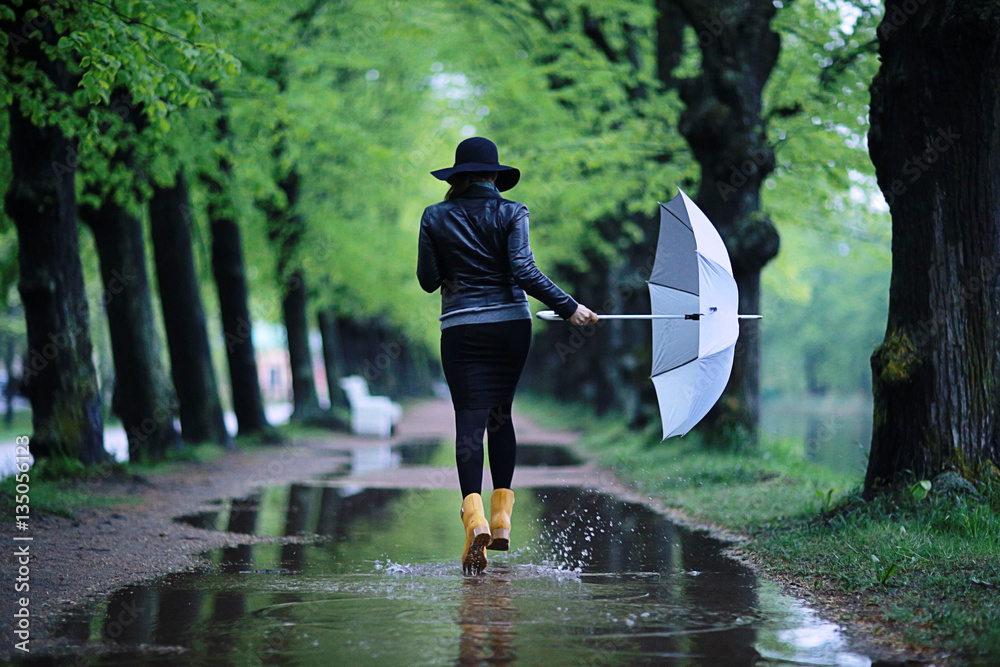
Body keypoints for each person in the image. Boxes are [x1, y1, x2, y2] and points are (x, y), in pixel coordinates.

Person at [417, 136, 599, 576]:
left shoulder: (435, 216)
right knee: (501, 414)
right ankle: (501, 519)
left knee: (469, 419)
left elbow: (428, 281)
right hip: (510, 328)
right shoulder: (512, 211)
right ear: (496, 176)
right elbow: (523, 270)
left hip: (461, 329)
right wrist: (569, 306)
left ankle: (474, 517)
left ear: (457, 177)